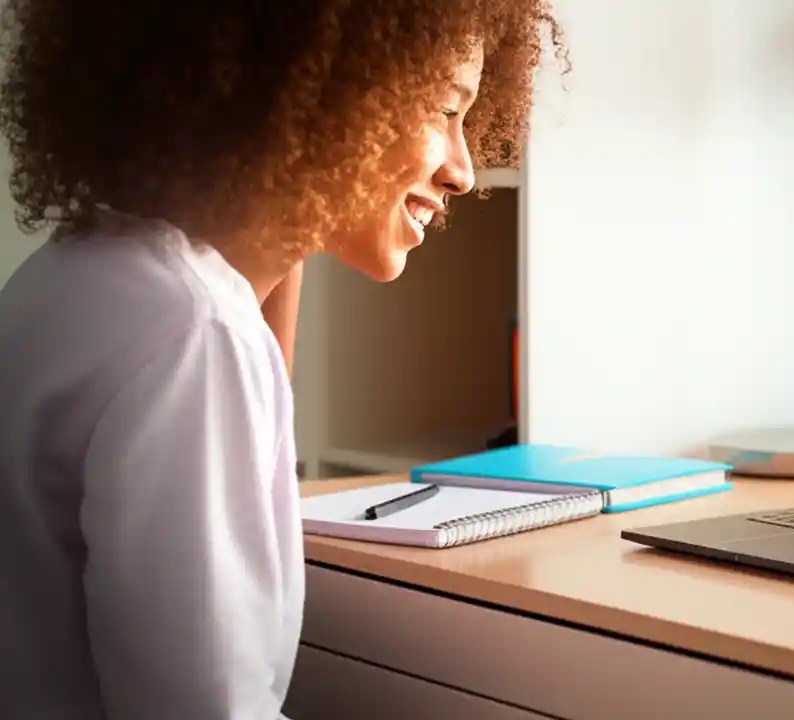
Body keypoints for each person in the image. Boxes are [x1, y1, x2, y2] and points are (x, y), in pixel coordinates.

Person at [0, 1, 565, 717]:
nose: (464, 168)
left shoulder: (81, 276)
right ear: (322, 86)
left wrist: (296, 212)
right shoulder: (192, 329)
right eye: (444, 109)